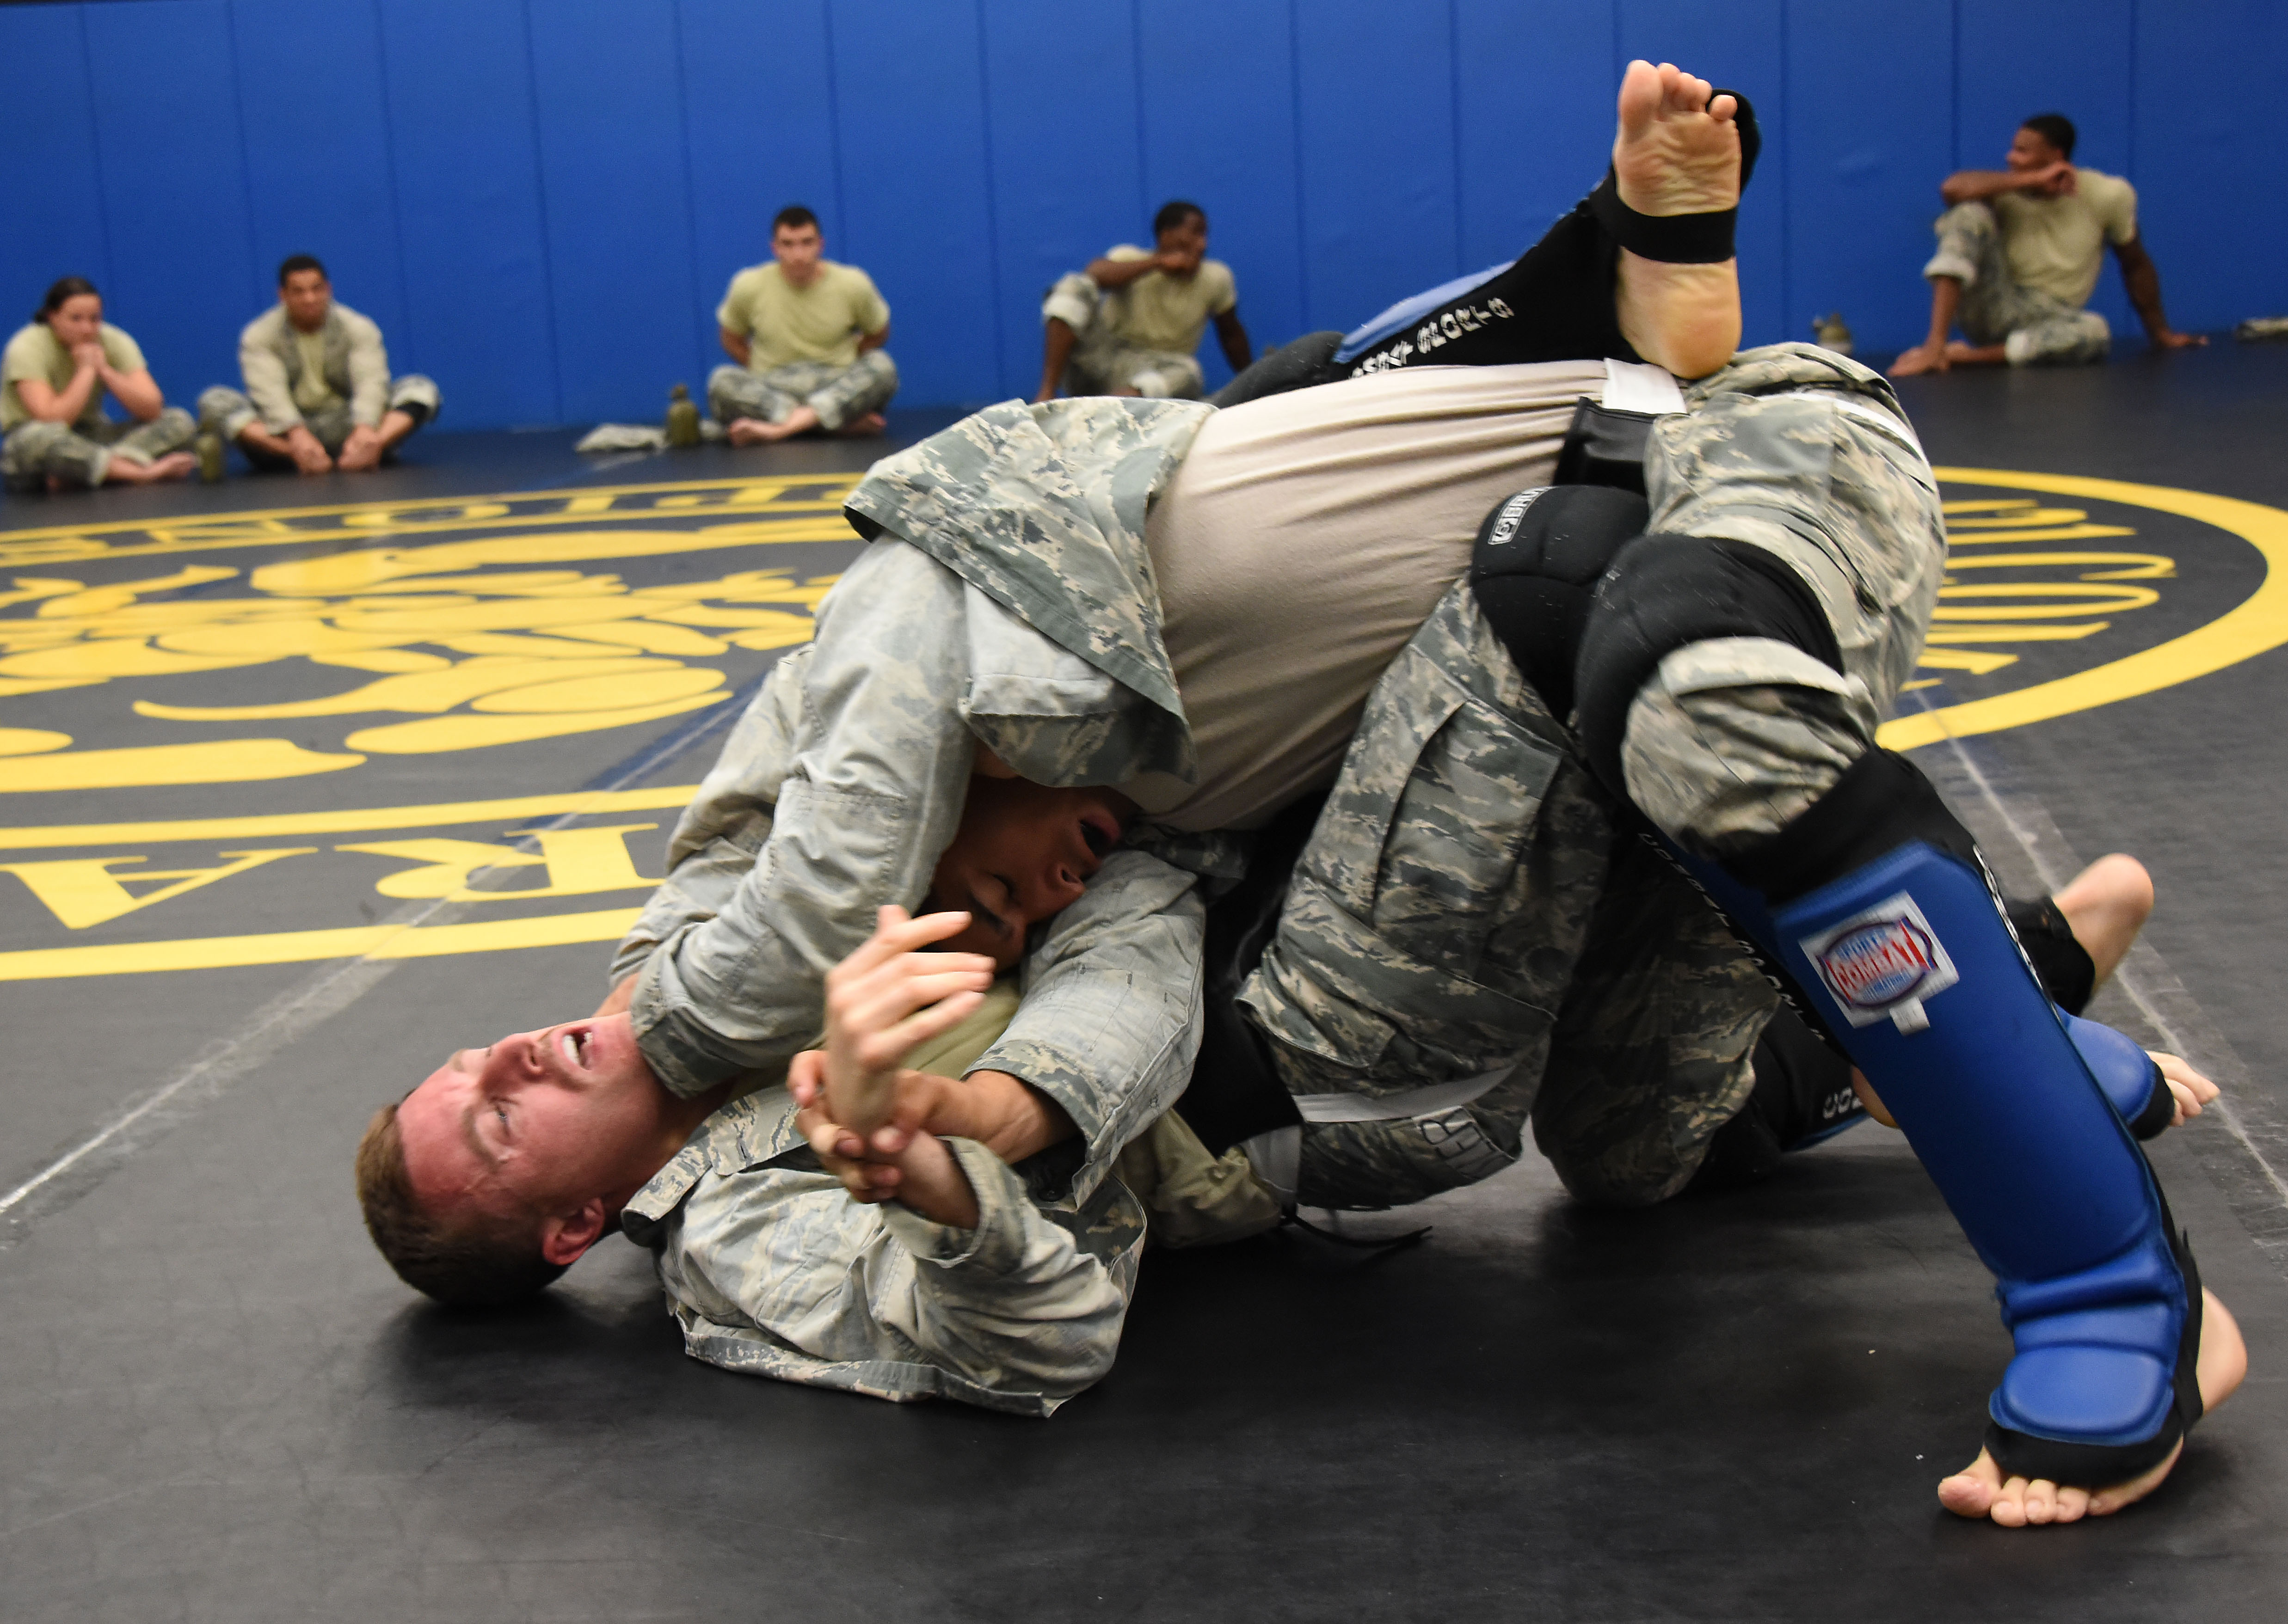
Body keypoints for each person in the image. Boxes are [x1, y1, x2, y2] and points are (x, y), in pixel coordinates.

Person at [363, 61, 2238, 1525]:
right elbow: (1066, 1184)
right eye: (497, 1130)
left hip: (1720, 490)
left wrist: (966, 838)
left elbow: (848, 759)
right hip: (1333, 954)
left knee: (1633, 657)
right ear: (557, 1235)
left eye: (472, 1059)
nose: (510, 1063)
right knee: (1628, 1140)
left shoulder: (724, 893)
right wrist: (949, 1135)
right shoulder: (746, 1244)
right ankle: (1995, 1002)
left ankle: (2101, 1281)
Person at [1890, 114, 2203, 376]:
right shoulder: (2005, 188)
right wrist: (2030, 180)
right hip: (1997, 301)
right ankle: (1935, 347)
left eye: (2022, 152)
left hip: (2051, 318)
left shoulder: (2108, 194)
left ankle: (1963, 357)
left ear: (2056, 156)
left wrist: (2161, 334)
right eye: (2013, 149)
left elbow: (2135, 263)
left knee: (2096, 331)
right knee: (1968, 213)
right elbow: (1952, 189)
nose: (2010, 158)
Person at [197, 255, 440, 475]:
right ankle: (298, 457)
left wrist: (366, 430)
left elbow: (371, 381)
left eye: (317, 289)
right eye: (299, 292)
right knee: (214, 401)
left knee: (421, 389)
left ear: (329, 290)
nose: (310, 299)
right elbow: (268, 392)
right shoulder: (260, 335)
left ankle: (369, 448)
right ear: (283, 295)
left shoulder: (357, 327)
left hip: (347, 424)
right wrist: (296, 436)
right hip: (285, 434)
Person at [710, 205, 896, 443]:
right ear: (774, 248)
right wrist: (758, 366)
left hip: (835, 381)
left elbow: (878, 333)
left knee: (883, 367)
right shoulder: (748, 285)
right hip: (775, 385)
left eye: (807, 243)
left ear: (821, 245)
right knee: (721, 381)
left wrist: (851, 361)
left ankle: (779, 430)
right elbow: (731, 338)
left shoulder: (853, 283)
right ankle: (832, 424)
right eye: (788, 244)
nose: (798, 254)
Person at [1036, 201, 1252, 401]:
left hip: (1156, 373)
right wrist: (1158, 263)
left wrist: (1254, 379)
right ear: (1166, 236)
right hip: (1102, 359)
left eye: (1205, 235)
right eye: (1195, 234)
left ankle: (1111, 409)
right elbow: (1095, 274)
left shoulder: (1216, 278)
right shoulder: (1131, 258)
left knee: (1191, 372)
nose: (1202, 244)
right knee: (1073, 286)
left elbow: (1230, 333)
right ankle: (1046, 392)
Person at [1, 276, 197, 491]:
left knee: (178, 421)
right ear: (53, 317)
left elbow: (152, 408)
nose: (87, 329)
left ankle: (84, 472)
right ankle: (141, 473)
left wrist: (105, 371)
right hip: (36, 444)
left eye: (94, 319)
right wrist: (86, 370)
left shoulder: (113, 341)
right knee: (41, 438)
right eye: (75, 319)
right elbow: (51, 419)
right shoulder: (27, 347)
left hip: (91, 436)